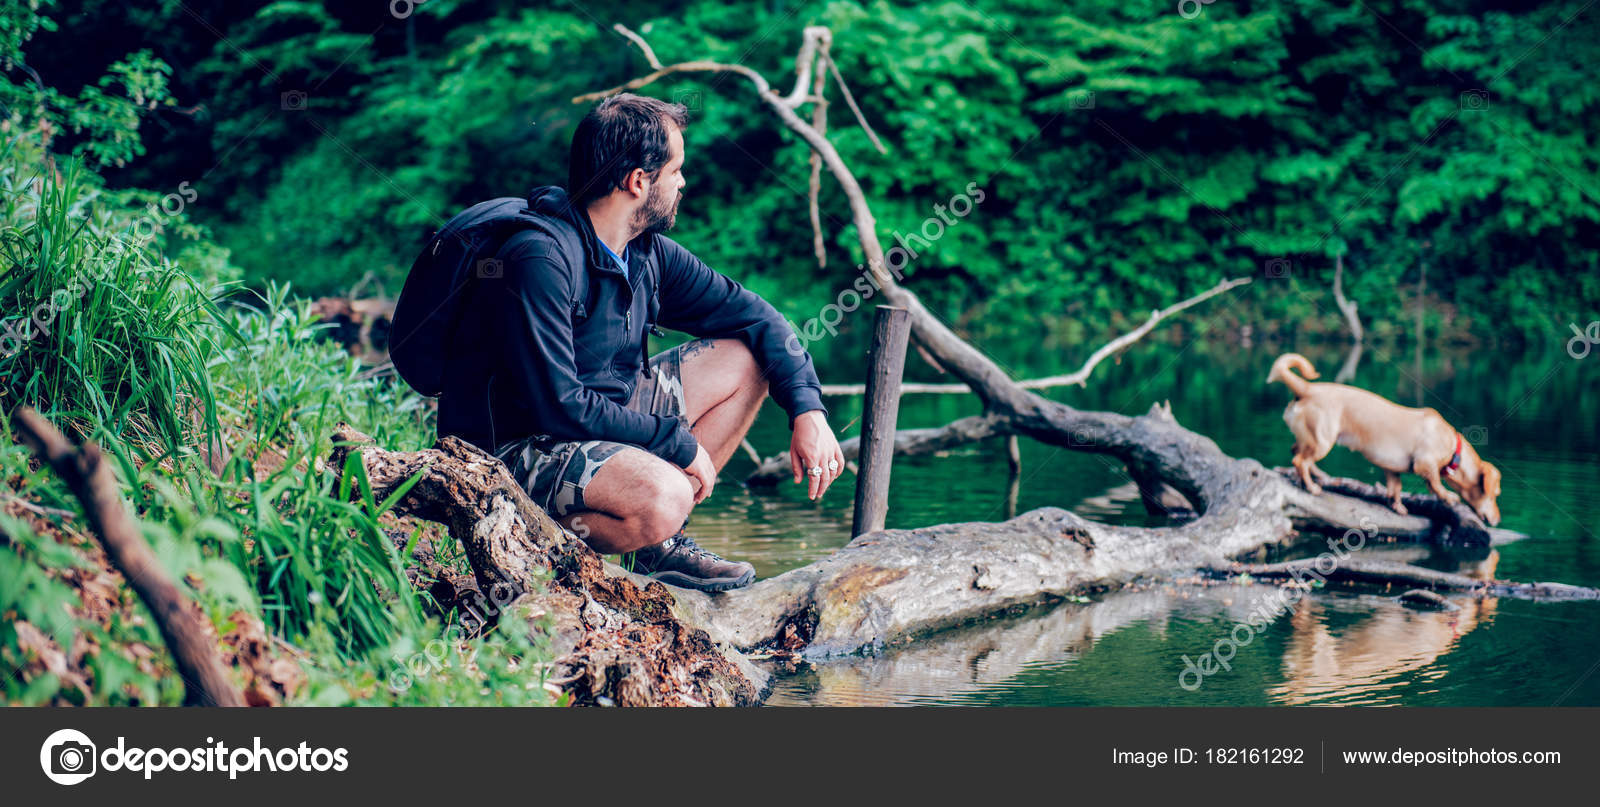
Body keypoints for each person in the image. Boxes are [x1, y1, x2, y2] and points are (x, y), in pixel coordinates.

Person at [436, 93, 845, 592]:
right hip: (515, 450)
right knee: (665, 495)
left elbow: (759, 317)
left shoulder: (646, 253)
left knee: (746, 359)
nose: (683, 184)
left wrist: (808, 410)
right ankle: (546, 549)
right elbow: (559, 406)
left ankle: (655, 548)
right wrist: (678, 444)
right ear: (637, 182)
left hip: (597, 421)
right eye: (676, 171)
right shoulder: (538, 259)